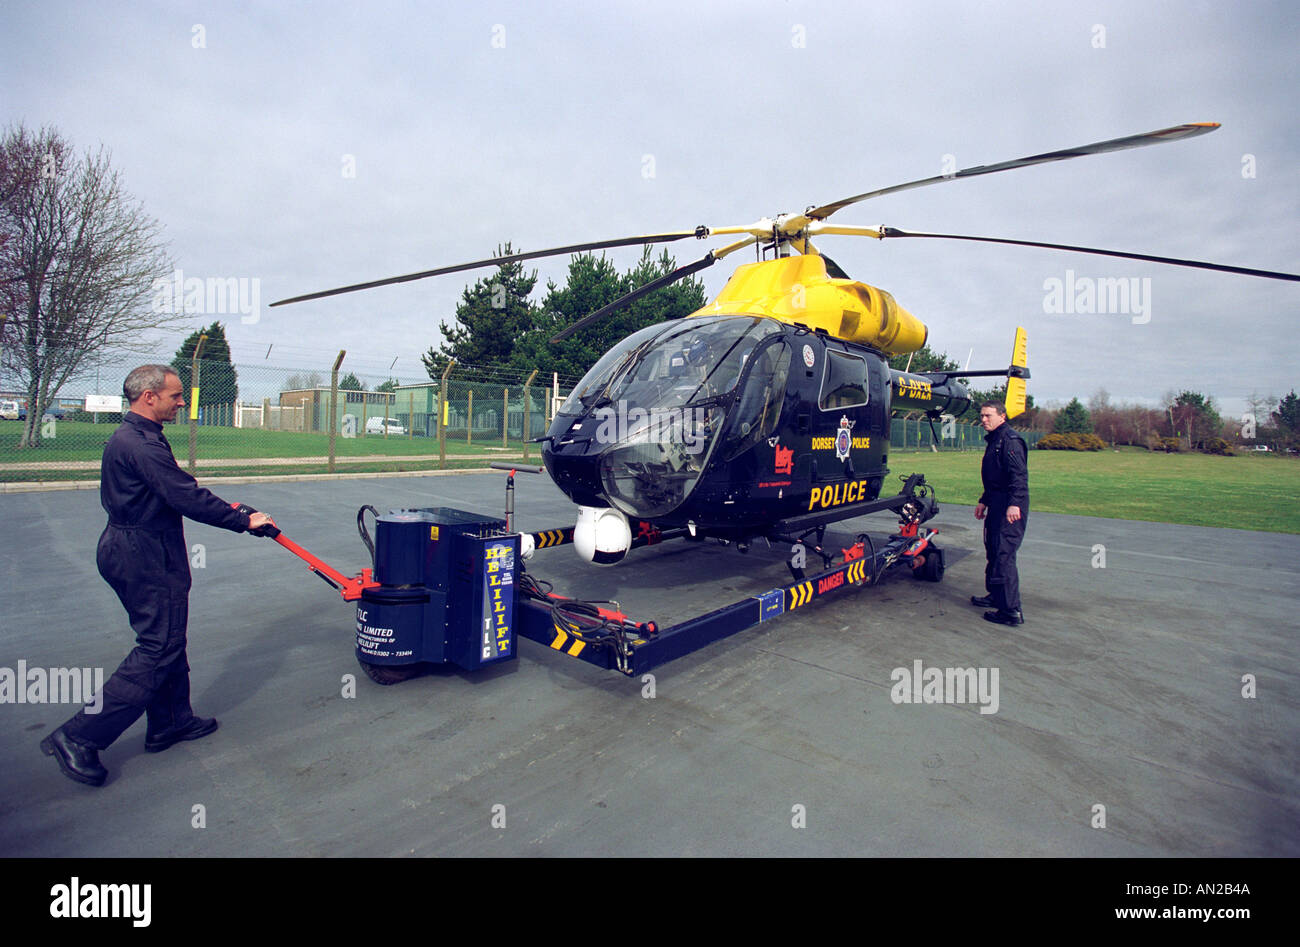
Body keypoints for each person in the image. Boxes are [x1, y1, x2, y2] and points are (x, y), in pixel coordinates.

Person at [40, 365, 275, 787]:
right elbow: (183, 494)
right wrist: (244, 520)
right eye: (175, 395)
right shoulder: (141, 444)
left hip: (131, 545)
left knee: (167, 638)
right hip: (144, 553)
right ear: (148, 396)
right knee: (158, 646)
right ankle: (79, 736)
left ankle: (170, 721)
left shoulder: (134, 436)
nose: (182, 402)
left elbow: (174, 491)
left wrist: (236, 515)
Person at [972, 400, 1028, 626]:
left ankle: (1011, 610)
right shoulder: (996, 439)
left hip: (1009, 506)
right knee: (994, 550)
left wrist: (1014, 504)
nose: (983, 419)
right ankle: (996, 595)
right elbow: (995, 477)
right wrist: (984, 501)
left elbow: (1018, 476)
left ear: (1002, 416)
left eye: (988, 415)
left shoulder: (1010, 440)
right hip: (996, 503)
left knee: (1004, 555)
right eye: (982, 416)